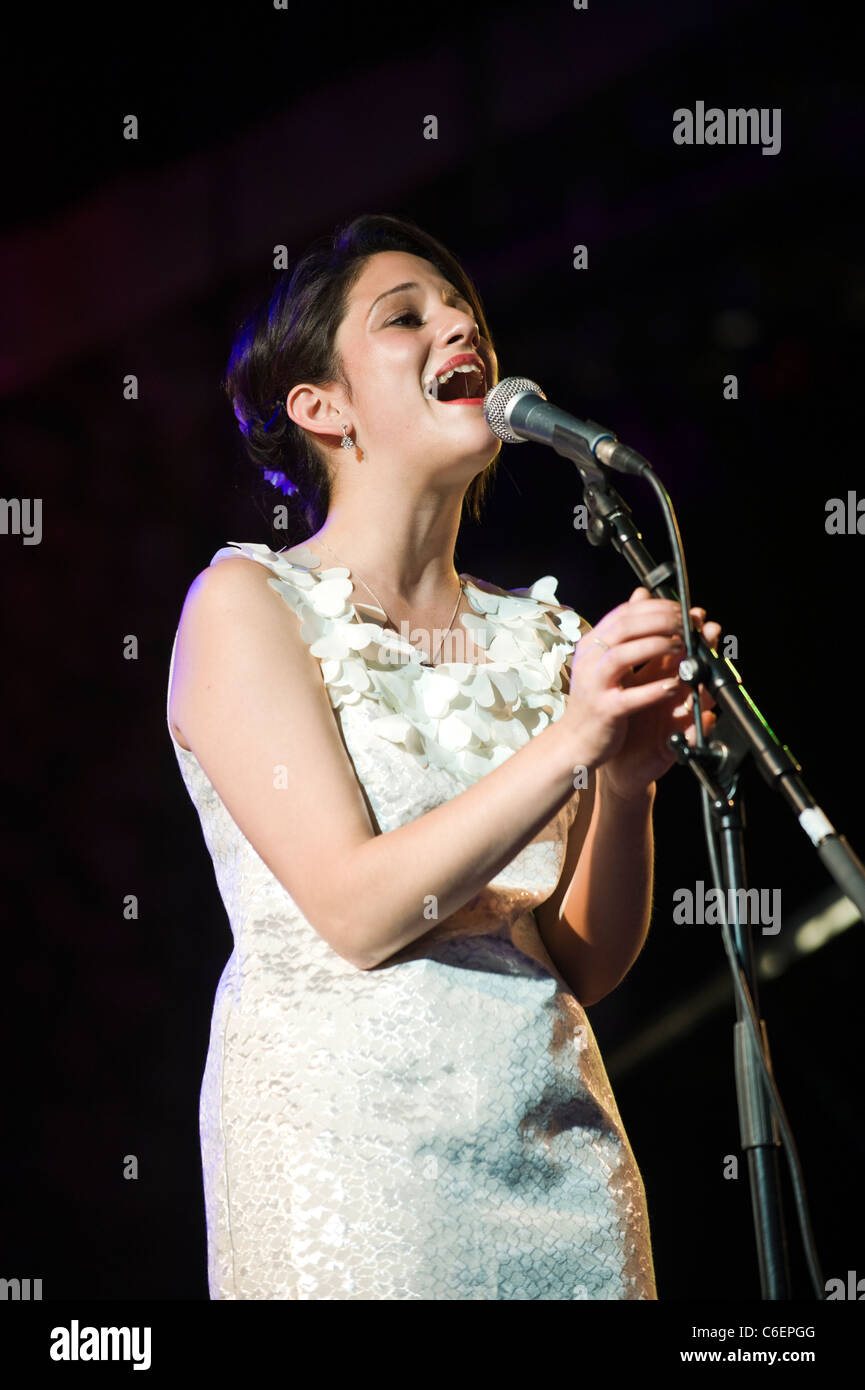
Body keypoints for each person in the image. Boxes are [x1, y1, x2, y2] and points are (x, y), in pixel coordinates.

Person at [166, 213, 720, 1300]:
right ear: (319, 408)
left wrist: (623, 784)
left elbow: (580, 965)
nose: (460, 322)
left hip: (558, 1160)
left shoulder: (542, 638)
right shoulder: (248, 606)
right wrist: (576, 739)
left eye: (463, 310)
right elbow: (360, 912)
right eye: (405, 316)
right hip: (356, 1170)